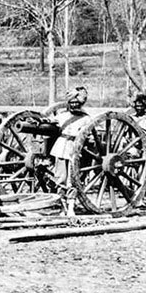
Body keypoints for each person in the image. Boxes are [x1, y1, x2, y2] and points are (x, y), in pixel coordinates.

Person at [50, 86, 90, 216]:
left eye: (76, 103)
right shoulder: (62, 116)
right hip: (60, 147)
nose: (73, 105)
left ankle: (71, 207)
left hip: (74, 148)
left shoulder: (86, 118)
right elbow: (50, 123)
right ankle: (63, 208)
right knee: (60, 178)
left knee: (72, 179)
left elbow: (90, 134)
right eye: (71, 103)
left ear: (80, 103)